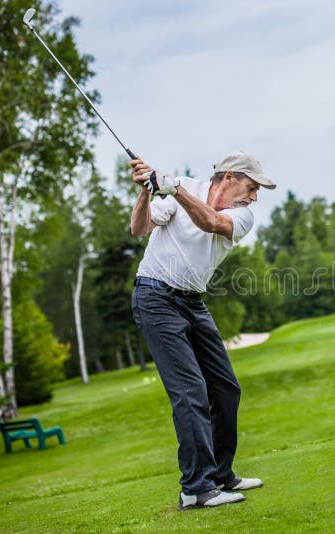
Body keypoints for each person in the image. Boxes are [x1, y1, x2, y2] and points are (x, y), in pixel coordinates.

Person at [129, 150, 276, 511]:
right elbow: (139, 229)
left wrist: (172, 188)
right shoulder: (183, 188)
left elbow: (210, 222)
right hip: (155, 297)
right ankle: (195, 489)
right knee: (190, 391)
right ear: (229, 177)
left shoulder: (241, 216)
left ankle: (221, 475)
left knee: (226, 389)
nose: (254, 197)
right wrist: (148, 190)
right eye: (251, 187)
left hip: (193, 302)